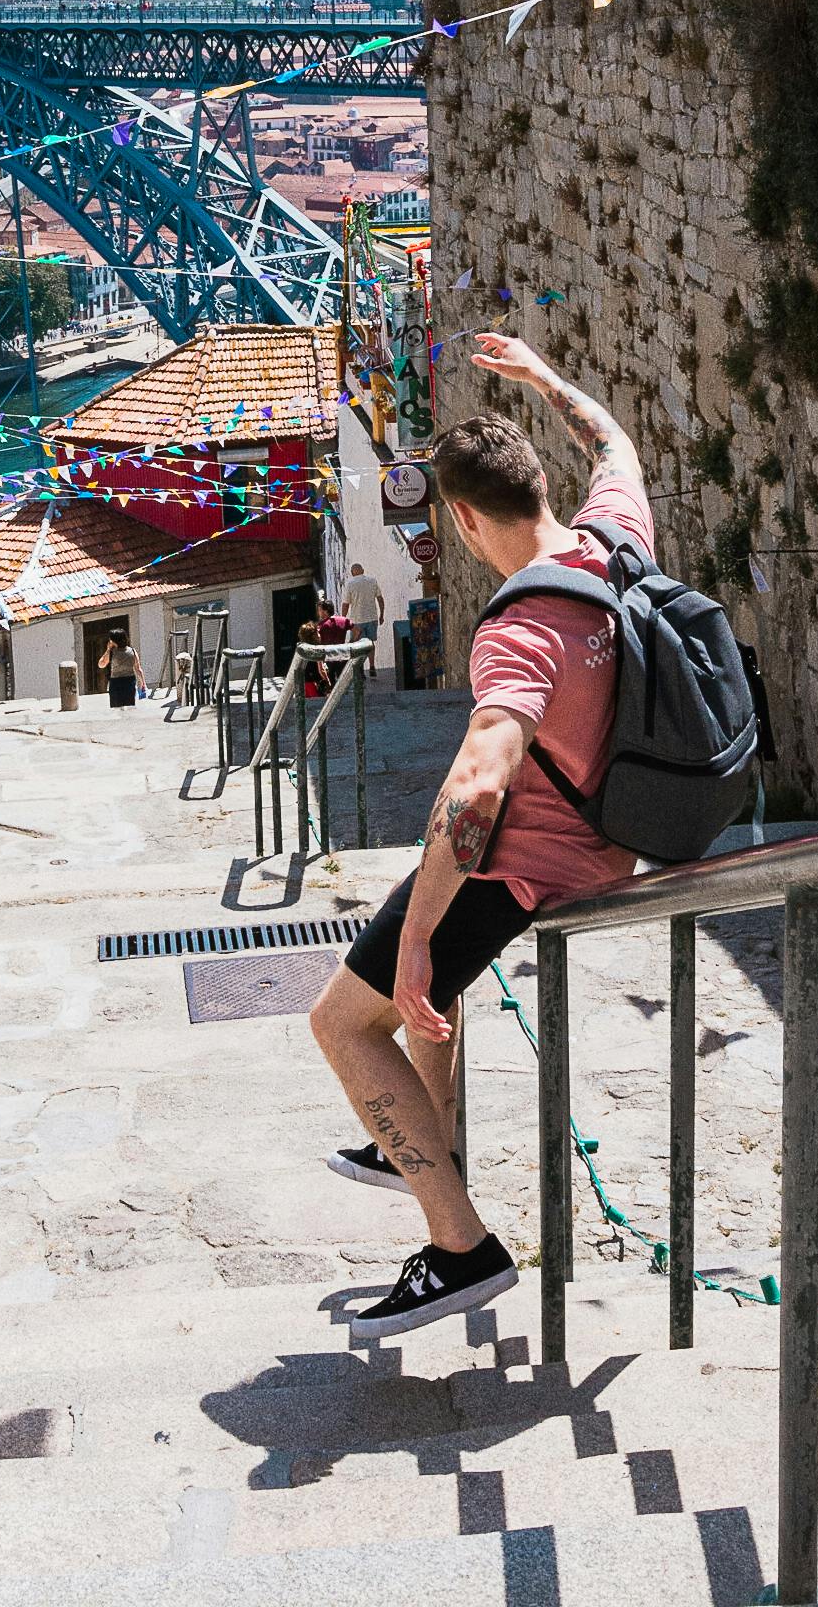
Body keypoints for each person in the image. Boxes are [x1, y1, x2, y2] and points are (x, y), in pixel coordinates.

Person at [309, 332, 654, 1338]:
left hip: (535, 863)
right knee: (427, 988)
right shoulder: (609, 537)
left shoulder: (518, 630)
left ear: (460, 520)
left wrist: (416, 932)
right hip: (610, 831)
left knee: (343, 1019)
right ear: (542, 484)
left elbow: (477, 789)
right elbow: (618, 445)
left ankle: (459, 1246)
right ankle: (428, 1133)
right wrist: (547, 380)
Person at [342, 561, 386, 672]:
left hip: (357, 620)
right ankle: (372, 666)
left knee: (357, 645)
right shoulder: (372, 581)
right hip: (372, 618)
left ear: (352, 573)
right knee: (370, 643)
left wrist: (343, 619)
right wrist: (381, 615)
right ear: (363, 571)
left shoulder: (350, 584)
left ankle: (359, 669)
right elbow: (380, 599)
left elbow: (346, 604)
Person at [97, 630, 144, 711]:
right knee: (130, 709)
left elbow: (101, 664)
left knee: (118, 710)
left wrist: (108, 649)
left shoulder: (112, 653)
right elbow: (138, 669)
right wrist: (143, 684)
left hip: (116, 683)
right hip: (130, 682)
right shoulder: (132, 651)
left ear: (114, 641)